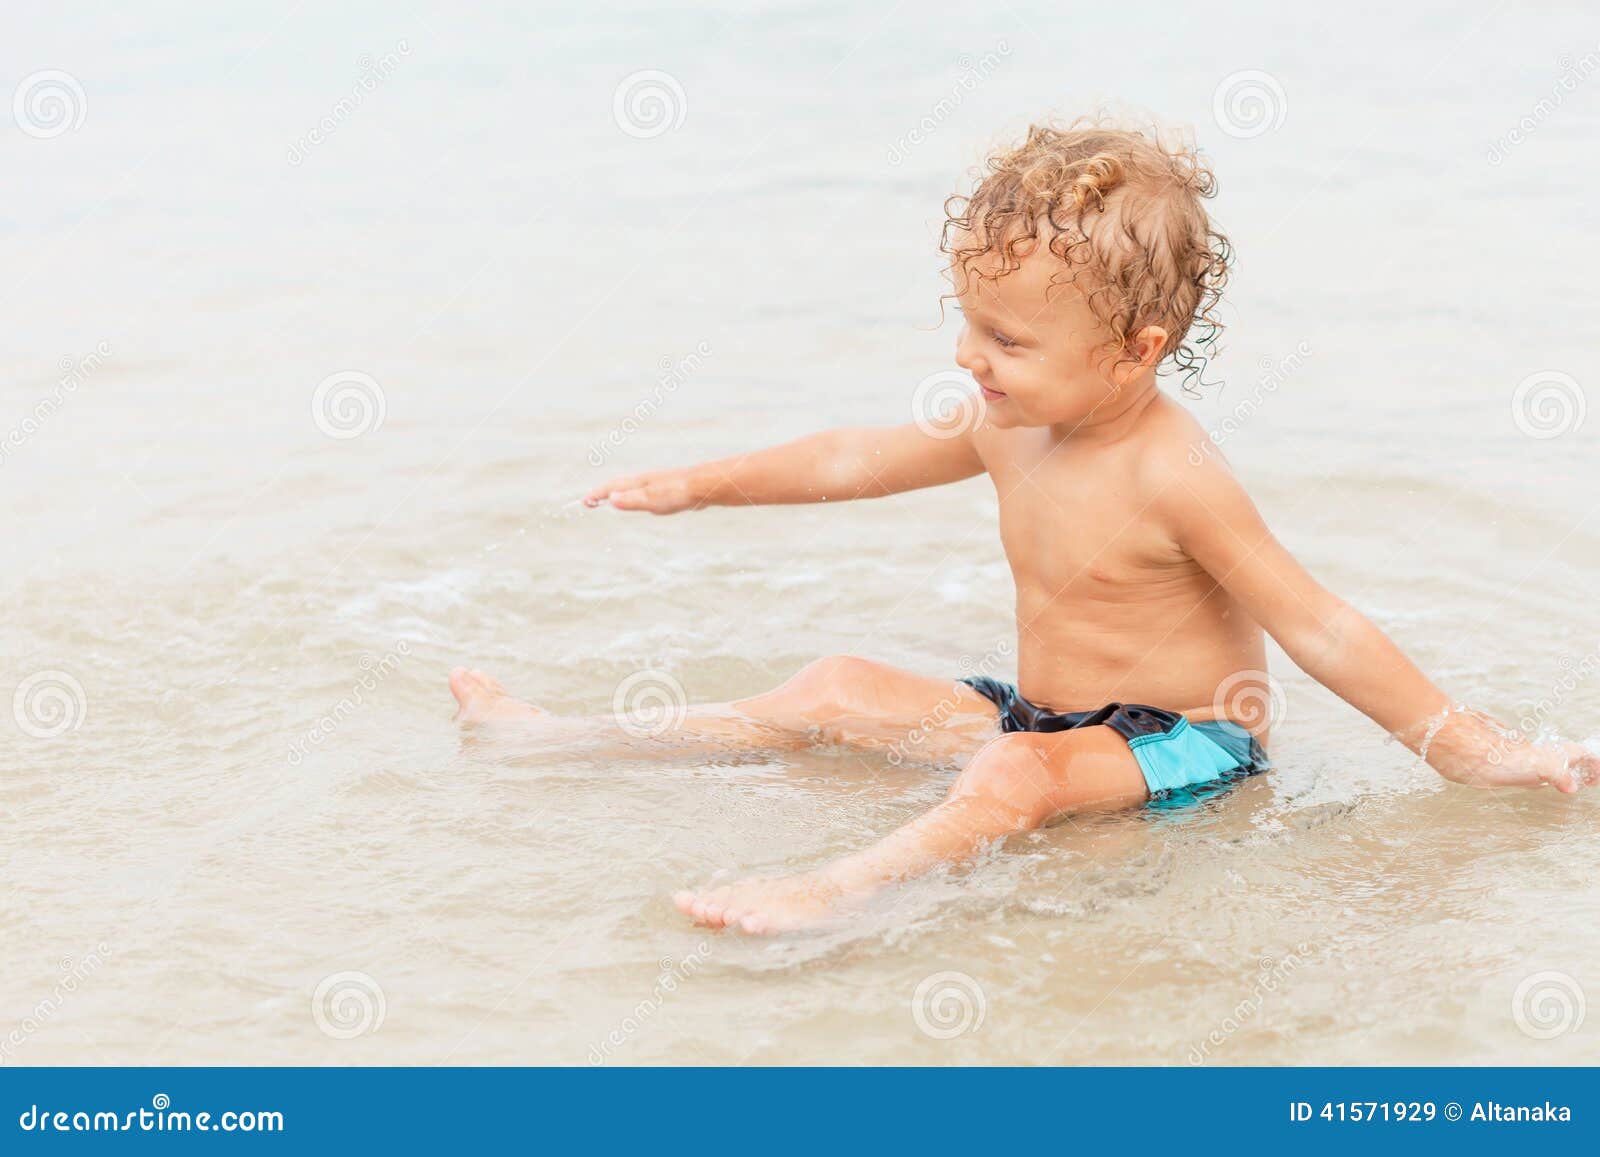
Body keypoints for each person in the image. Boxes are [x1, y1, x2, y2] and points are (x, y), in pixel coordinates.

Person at [450, 118, 1597, 934]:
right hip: (1046, 713)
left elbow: (1319, 624)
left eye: (1004, 338)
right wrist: (702, 482)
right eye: (967, 322)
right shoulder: (1012, 422)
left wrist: (1470, 744)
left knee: (1012, 774)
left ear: (1136, 346)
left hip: (1187, 744)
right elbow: (856, 457)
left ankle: (832, 893)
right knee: (833, 682)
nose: (966, 357)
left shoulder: (1175, 471)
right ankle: (548, 739)